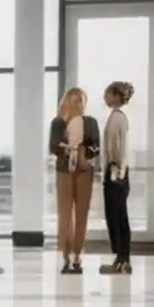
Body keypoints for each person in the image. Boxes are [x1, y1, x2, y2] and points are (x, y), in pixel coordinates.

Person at [49, 87, 100, 274]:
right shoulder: (58, 123)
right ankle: (65, 255)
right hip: (64, 171)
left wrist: (82, 152)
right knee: (64, 214)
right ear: (66, 102)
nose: (79, 104)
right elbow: (53, 146)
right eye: (75, 100)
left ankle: (78, 254)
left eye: (81, 100)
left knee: (82, 214)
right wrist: (69, 149)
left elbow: (96, 146)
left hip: (84, 170)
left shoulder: (91, 122)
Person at [100, 81, 135, 274]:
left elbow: (117, 149)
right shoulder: (117, 117)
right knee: (117, 216)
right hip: (117, 170)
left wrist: (116, 173)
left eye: (107, 93)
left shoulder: (117, 119)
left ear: (115, 95)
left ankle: (123, 258)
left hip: (116, 171)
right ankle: (121, 258)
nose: (105, 97)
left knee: (117, 216)